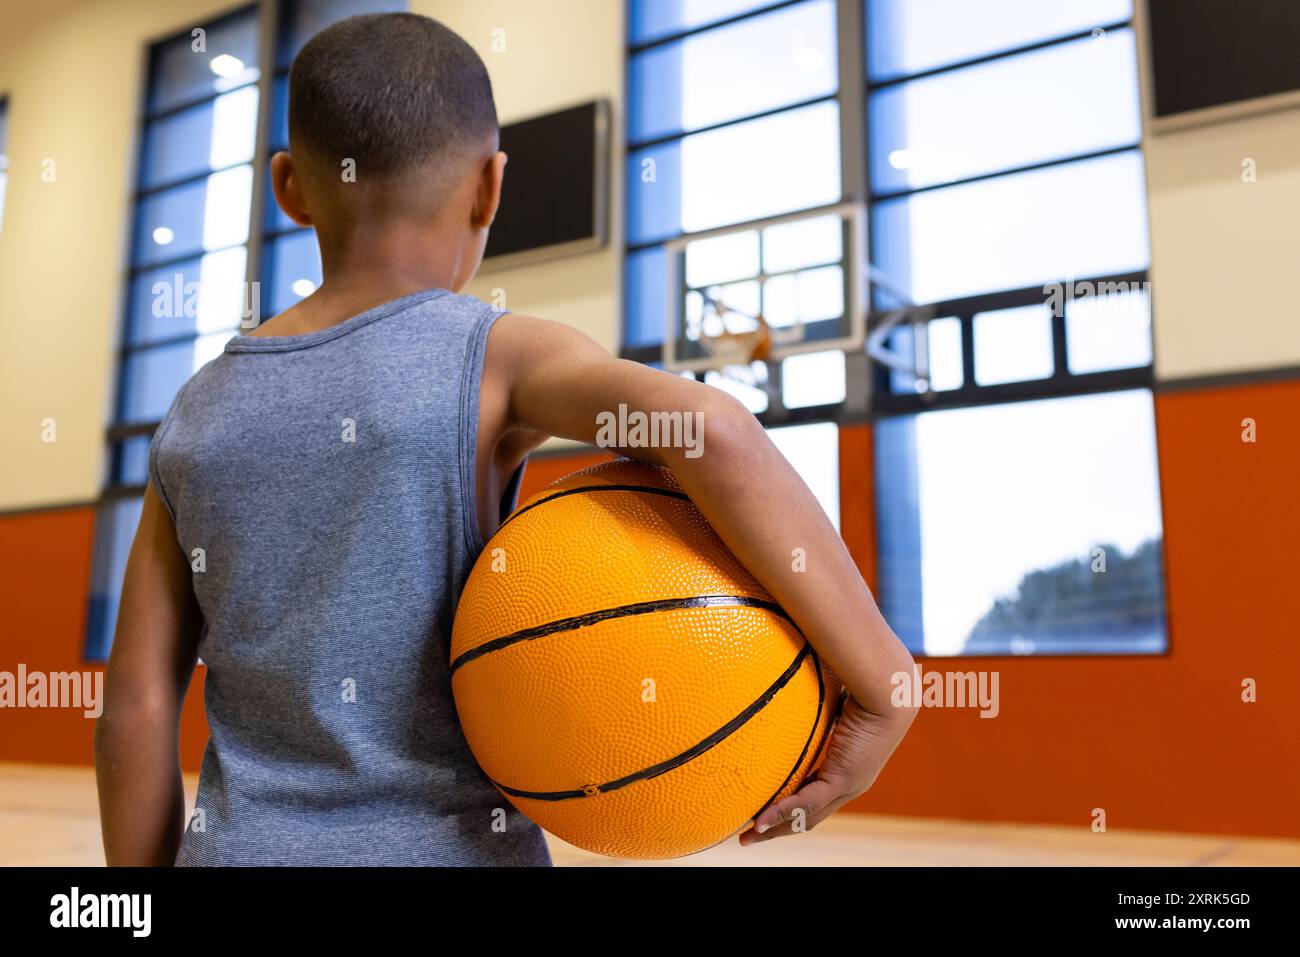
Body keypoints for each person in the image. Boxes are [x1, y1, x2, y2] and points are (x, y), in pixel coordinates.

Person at [94, 12, 916, 866]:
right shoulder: (493, 354)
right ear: (490, 187)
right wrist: (884, 683)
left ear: (288, 187)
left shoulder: (198, 408)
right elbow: (709, 428)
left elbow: (136, 709)